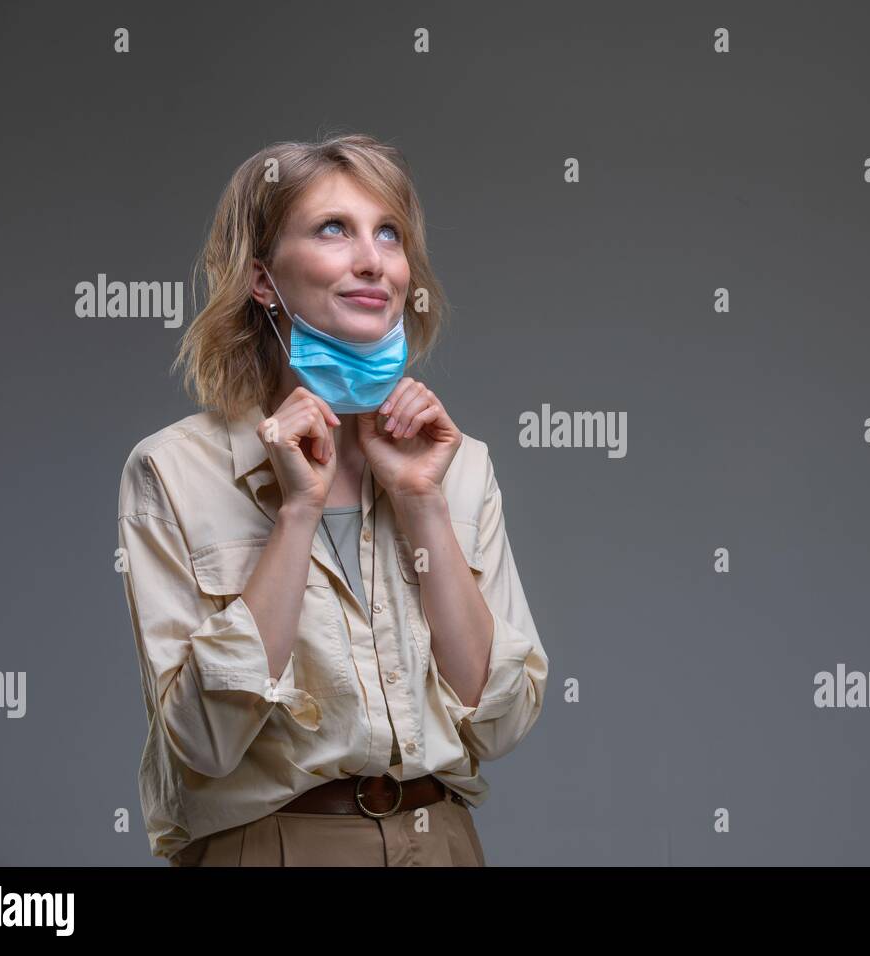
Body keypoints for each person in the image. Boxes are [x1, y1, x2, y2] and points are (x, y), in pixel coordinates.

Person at [116, 133, 548, 866]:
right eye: (332, 230)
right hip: (269, 846)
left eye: (389, 234)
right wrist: (296, 511)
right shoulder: (172, 471)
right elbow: (202, 742)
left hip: (439, 841)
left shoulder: (460, 466)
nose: (372, 260)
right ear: (262, 279)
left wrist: (421, 503)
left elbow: (500, 724)